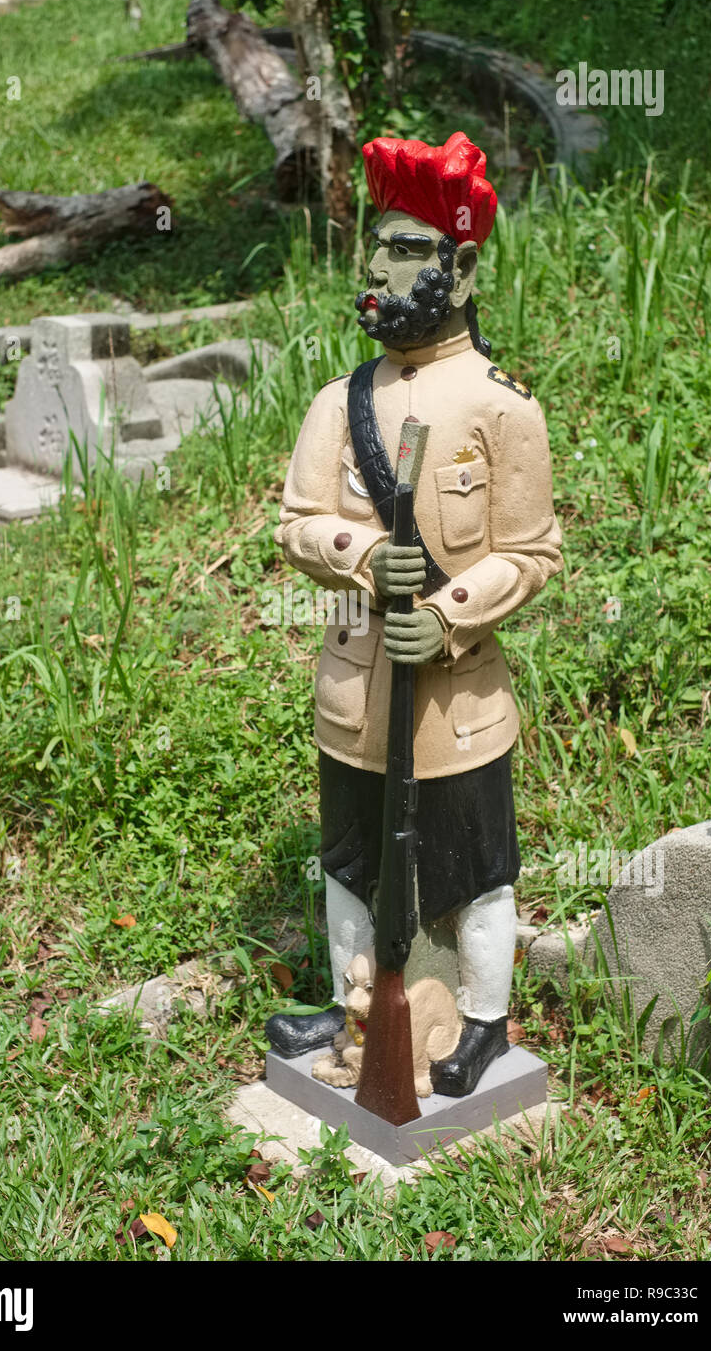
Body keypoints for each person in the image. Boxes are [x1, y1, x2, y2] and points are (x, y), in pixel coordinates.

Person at [266, 132, 563, 1096]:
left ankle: (481, 1017)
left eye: (405, 251)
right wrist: (357, 552)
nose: (377, 271)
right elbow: (299, 523)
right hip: (356, 689)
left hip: (455, 703)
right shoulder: (336, 403)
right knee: (350, 856)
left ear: (463, 266)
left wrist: (450, 613)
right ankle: (354, 996)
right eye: (375, 249)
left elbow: (532, 552)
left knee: (473, 861)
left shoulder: (503, 410)